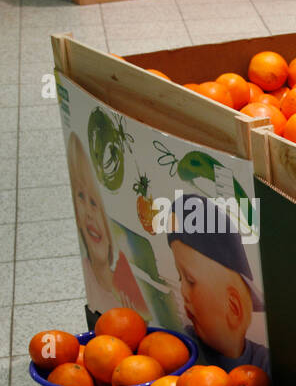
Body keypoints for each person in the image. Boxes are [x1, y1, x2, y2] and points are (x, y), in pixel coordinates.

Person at [167, 193, 271, 372]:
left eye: (191, 281)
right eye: (180, 277)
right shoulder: (181, 346)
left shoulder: (264, 364)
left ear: (233, 307)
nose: (182, 290)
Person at [66, 132, 148, 316]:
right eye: (80, 197)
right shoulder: (89, 275)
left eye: (94, 203)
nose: (88, 213)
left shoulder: (131, 288)